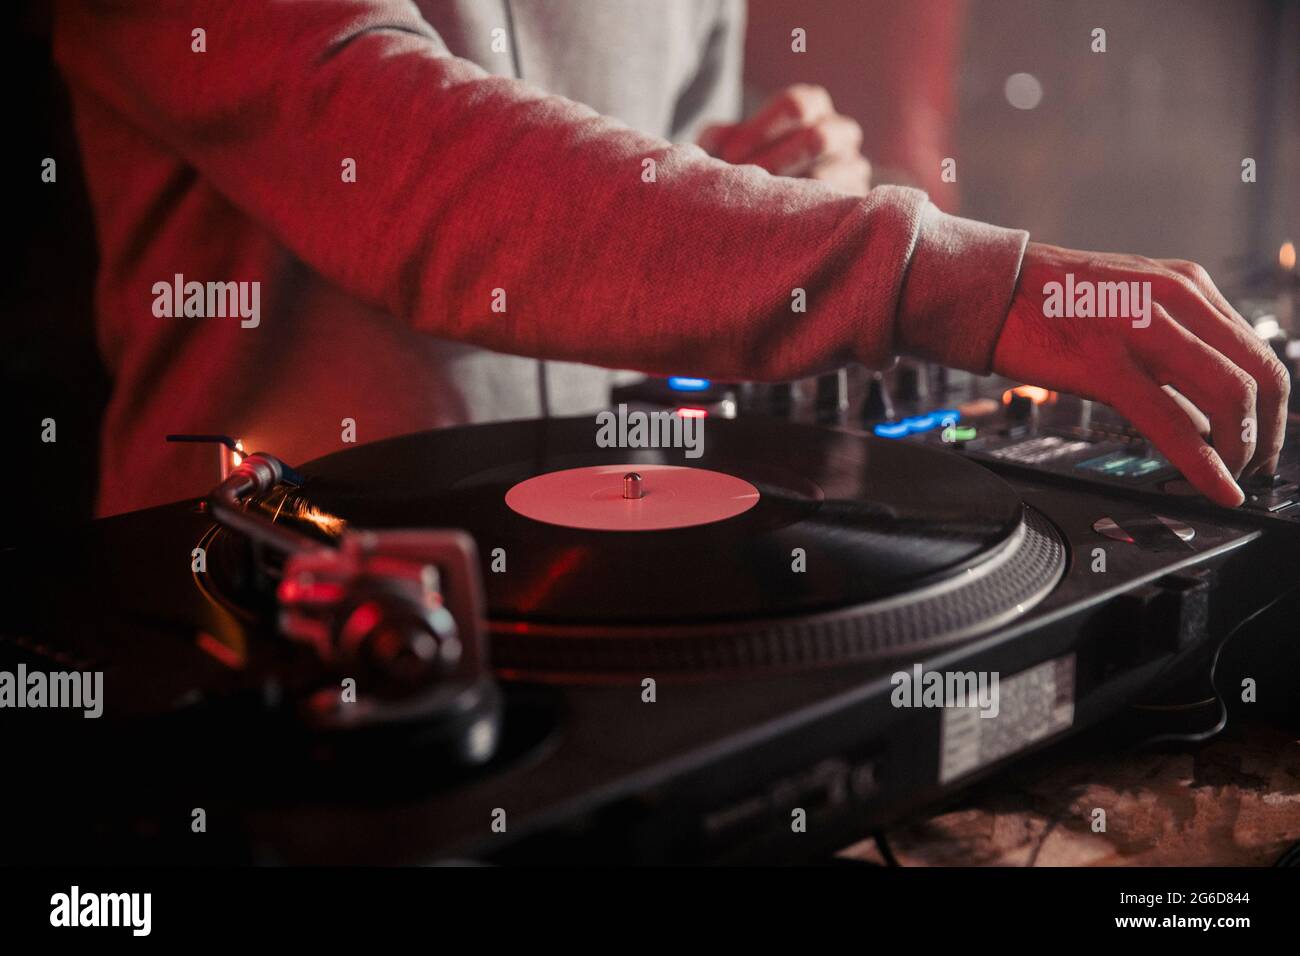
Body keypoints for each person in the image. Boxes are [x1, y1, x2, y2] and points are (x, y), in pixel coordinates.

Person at [53, 0, 1288, 516]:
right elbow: (420, 171)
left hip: (593, 578)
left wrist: (766, 183)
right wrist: (947, 275)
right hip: (248, 599)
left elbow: (624, 204)